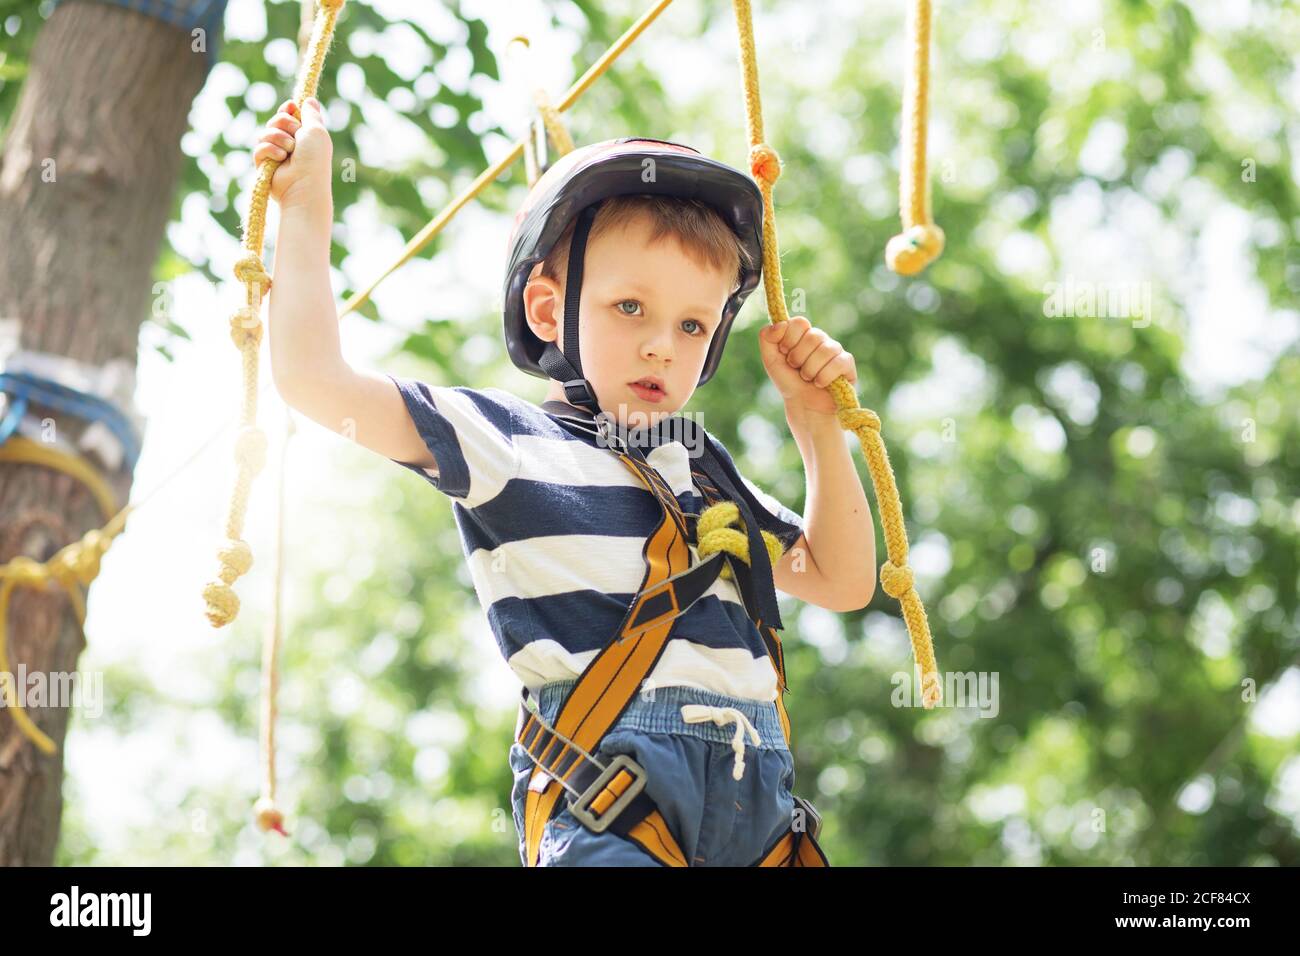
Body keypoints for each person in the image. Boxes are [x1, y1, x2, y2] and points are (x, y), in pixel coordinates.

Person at [258, 97, 878, 866]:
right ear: (550, 313)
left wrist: (819, 428)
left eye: (692, 325)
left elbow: (843, 580)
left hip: (760, 805)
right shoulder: (507, 443)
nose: (661, 346)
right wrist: (307, 203)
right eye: (630, 307)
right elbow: (316, 379)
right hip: (613, 795)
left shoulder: (703, 468)